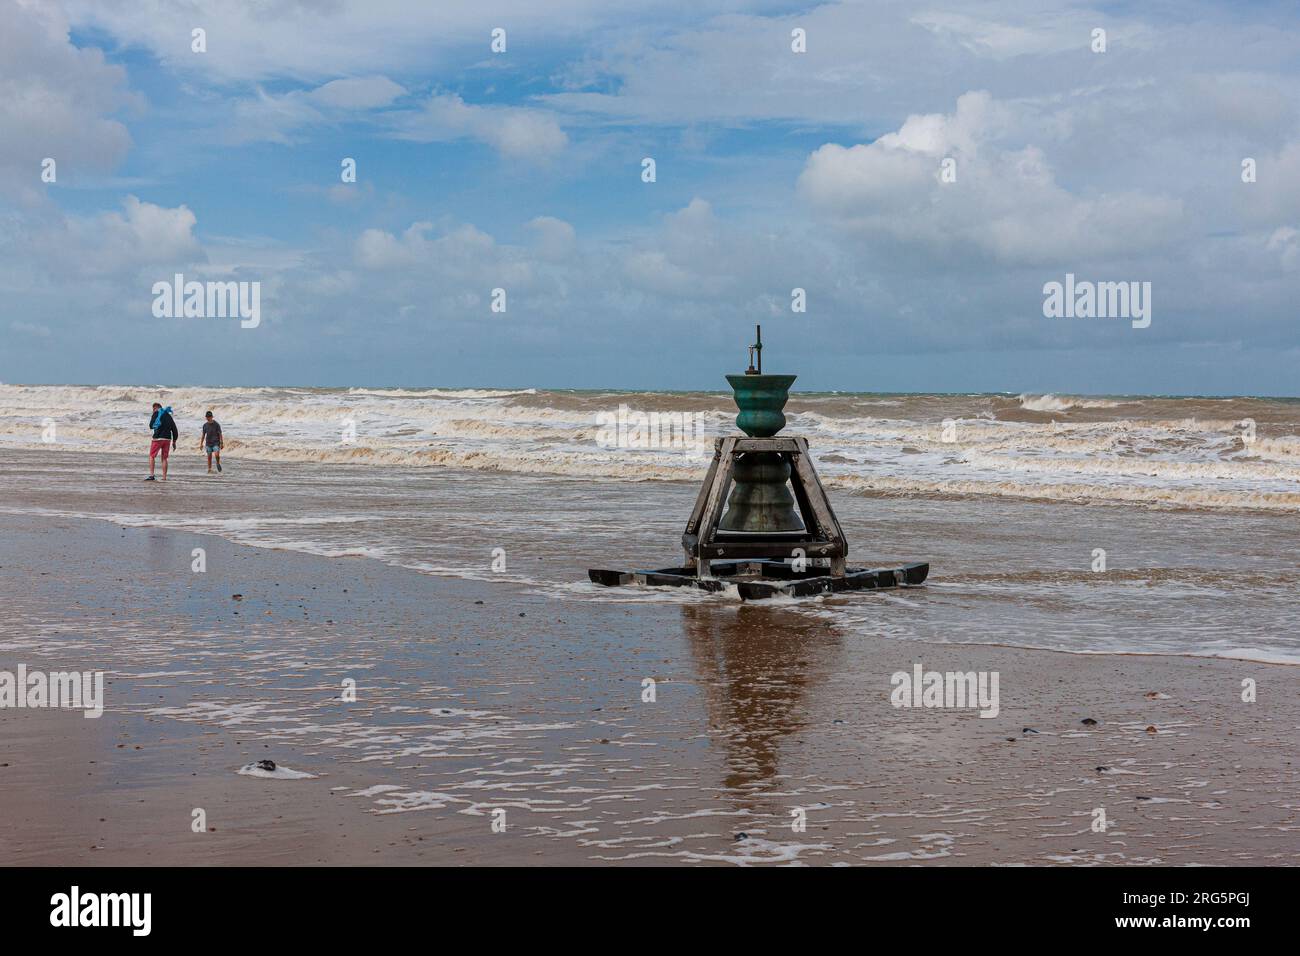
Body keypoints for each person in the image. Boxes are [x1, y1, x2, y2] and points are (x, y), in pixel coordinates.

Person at [146, 402, 178, 481]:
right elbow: (174, 429)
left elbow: (151, 425)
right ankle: (164, 477)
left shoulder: (156, 413)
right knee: (164, 458)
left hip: (158, 438)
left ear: (155, 408)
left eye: (153, 409)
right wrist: (174, 441)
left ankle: (152, 475)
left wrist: (154, 416)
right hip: (167, 439)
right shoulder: (168, 415)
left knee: (152, 456)